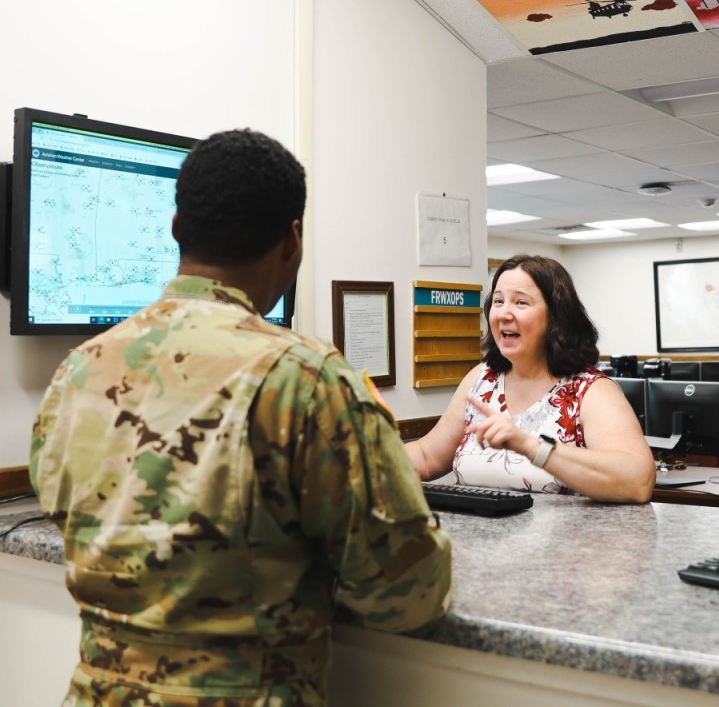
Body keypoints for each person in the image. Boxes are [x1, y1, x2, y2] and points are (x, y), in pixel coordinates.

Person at [30, 129, 451, 707]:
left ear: (176, 227)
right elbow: (407, 593)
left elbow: (63, 514)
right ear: (293, 240)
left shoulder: (78, 370)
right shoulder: (307, 379)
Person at [405, 254, 656, 502]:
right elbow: (427, 457)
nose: (504, 313)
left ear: (556, 317)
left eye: (521, 303)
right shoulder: (481, 379)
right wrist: (381, 451)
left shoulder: (591, 391)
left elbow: (638, 482)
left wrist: (531, 446)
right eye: (498, 301)